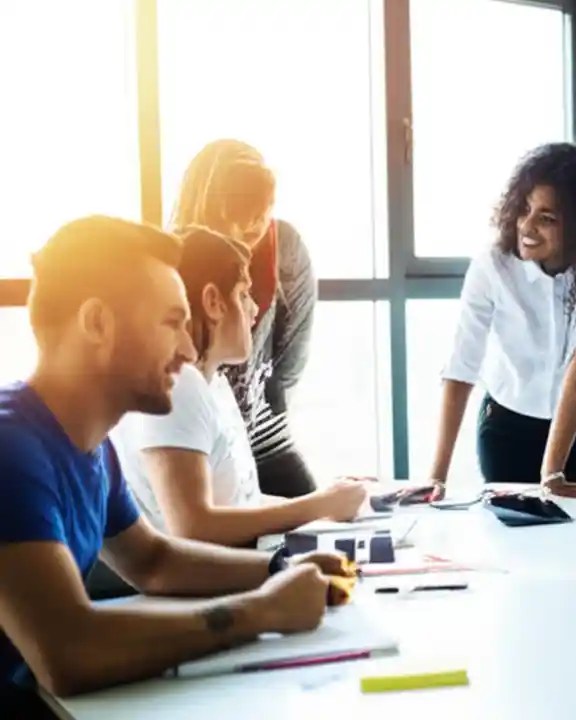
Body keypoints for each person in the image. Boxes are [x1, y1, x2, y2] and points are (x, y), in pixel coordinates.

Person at [0, 217, 351, 710]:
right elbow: (68, 650)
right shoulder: (11, 449)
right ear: (97, 323)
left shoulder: (90, 446)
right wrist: (261, 612)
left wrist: (279, 567)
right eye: (171, 323)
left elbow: (153, 561)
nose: (188, 348)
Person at [109, 227, 368, 548]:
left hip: (244, 561)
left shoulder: (213, 382)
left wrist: (327, 502)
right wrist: (319, 506)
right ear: (214, 301)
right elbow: (192, 527)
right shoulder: (179, 384)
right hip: (211, 582)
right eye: (244, 294)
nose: (254, 309)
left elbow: (244, 505)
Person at [426, 142, 576, 499]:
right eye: (525, 209)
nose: (527, 226)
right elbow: (462, 366)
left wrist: (552, 473)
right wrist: (435, 477)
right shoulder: (493, 266)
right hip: (508, 427)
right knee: (515, 543)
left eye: (547, 218)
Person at [171, 139, 319, 498]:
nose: (242, 242)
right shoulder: (177, 260)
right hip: (202, 436)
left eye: (254, 229)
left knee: (321, 520)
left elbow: (287, 367)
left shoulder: (285, 249)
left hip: (260, 430)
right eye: (229, 228)